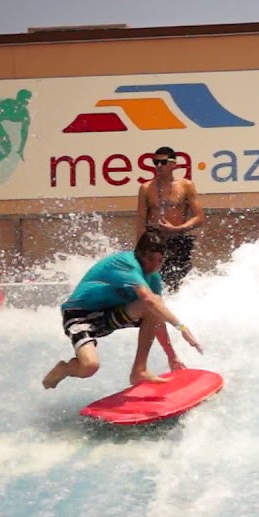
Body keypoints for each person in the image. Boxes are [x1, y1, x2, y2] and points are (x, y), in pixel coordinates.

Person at [42, 230, 203, 390]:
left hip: (108, 316)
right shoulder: (127, 264)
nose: (154, 265)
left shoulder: (153, 278)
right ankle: (65, 369)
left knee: (155, 307)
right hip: (80, 315)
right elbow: (148, 299)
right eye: (150, 259)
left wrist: (172, 357)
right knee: (90, 366)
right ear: (139, 254)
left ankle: (139, 370)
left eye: (160, 260)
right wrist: (182, 328)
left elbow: (157, 316)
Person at [136, 146, 204, 291]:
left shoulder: (186, 186)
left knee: (178, 282)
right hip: (155, 241)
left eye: (163, 162)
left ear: (174, 164)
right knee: (154, 281)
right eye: (156, 162)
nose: (159, 166)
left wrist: (178, 228)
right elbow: (141, 222)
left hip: (178, 240)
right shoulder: (146, 188)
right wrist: (139, 250)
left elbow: (199, 218)